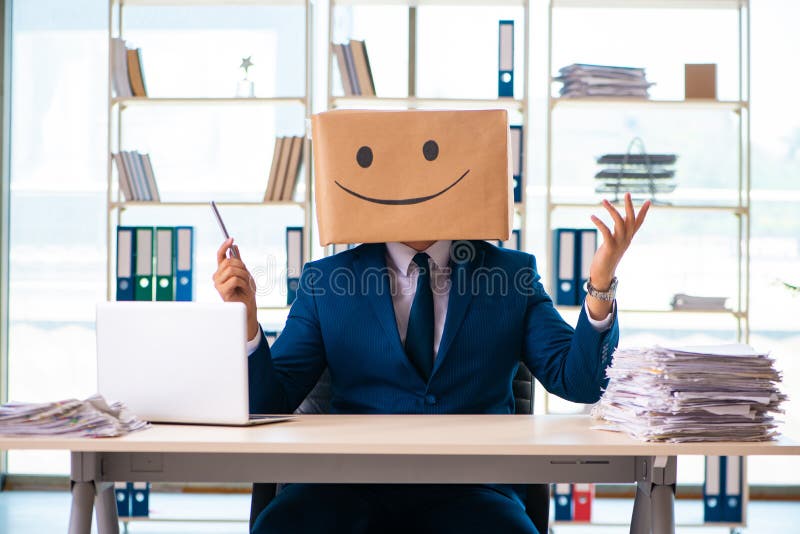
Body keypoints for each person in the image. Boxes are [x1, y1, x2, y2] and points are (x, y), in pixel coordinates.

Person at [214, 189, 649, 534]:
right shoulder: (326, 281)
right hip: (344, 483)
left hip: (472, 488)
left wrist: (600, 282)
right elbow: (271, 400)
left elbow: (581, 383)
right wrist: (246, 319)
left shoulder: (511, 275)